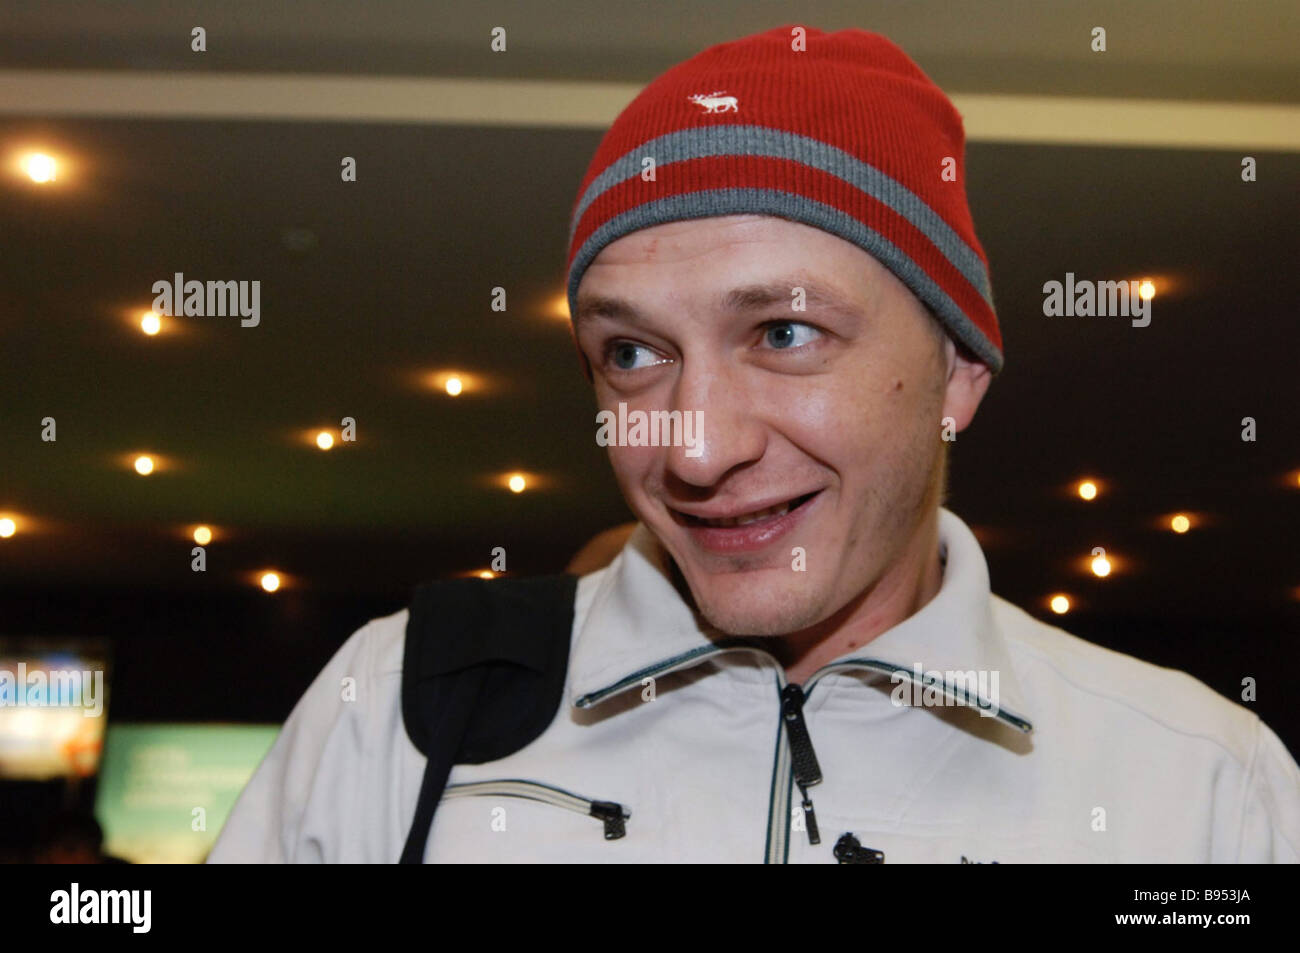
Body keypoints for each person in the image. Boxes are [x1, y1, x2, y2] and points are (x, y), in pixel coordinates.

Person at [209, 25, 1299, 863]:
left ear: (957, 374)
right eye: (633, 352)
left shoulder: (1196, 783)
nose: (695, 448)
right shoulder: (398, 703)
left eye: (783, 333)